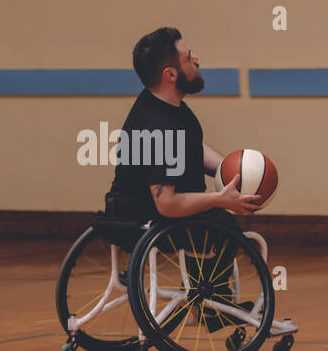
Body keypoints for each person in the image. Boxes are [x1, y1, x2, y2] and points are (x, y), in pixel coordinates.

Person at [105, 26, 262, 226]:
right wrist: (219, 199)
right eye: (188, 57)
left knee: (220, 221)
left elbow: (192, 149)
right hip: (146, 221)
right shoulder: (160, 127)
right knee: (225, 226)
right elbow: (167, 204)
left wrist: (233, 170)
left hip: (143, 213)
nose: (195, 58)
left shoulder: (164, 104)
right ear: (170, 74)